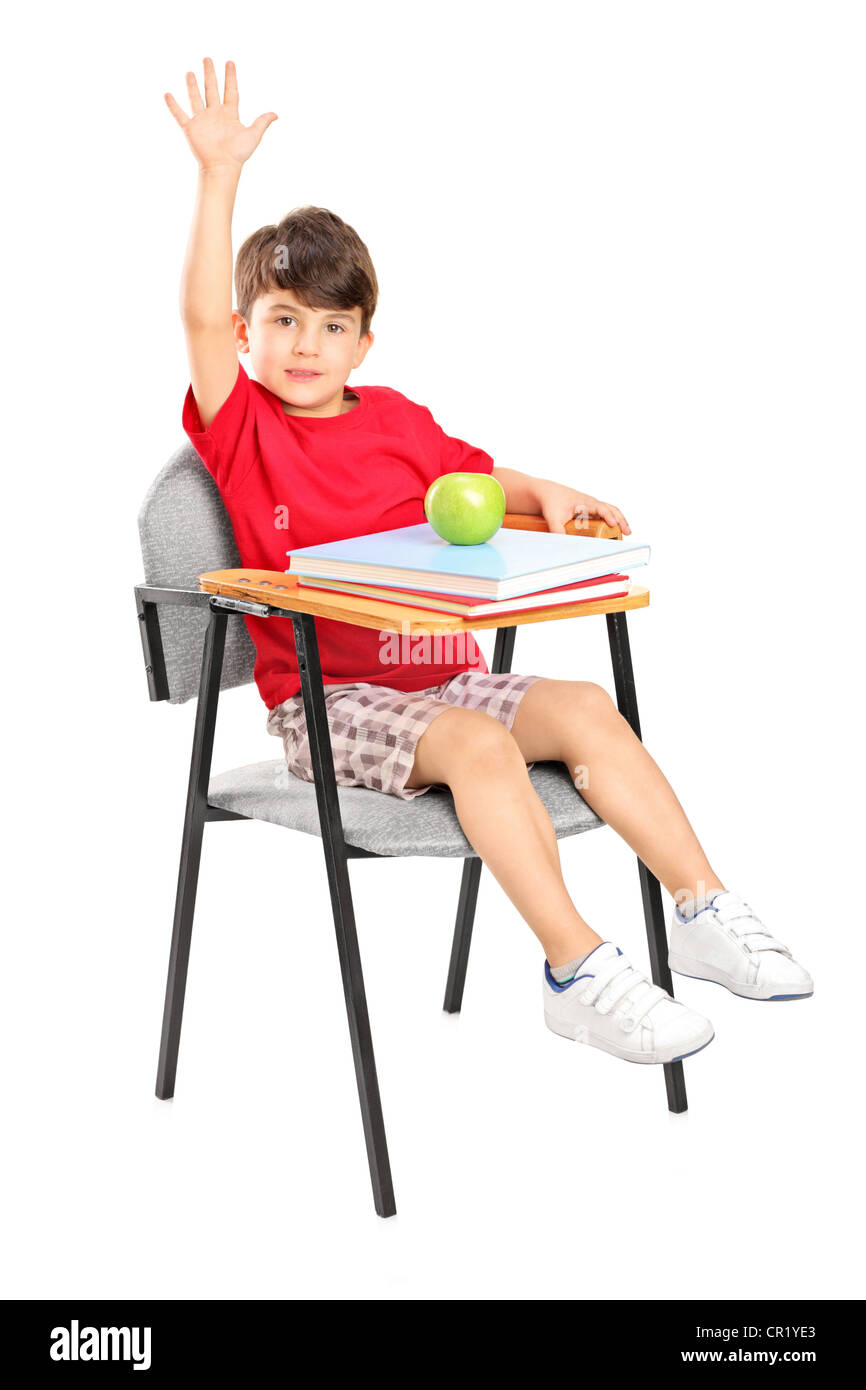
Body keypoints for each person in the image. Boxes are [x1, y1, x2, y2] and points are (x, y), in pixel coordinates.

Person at [166, 58, 813, 1069]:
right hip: (330, 704)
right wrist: (216, 178)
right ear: (248, 335)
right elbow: (199, 318)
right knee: (479, 746)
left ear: (362, 343)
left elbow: (472, 479)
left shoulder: (395, 420)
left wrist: (545, 492)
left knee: (587, 712)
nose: (304, 344)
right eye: (282, 320)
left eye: (330, 326)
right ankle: (574, 972)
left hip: (445, 672)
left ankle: (697, 906)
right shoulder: (241, 428)